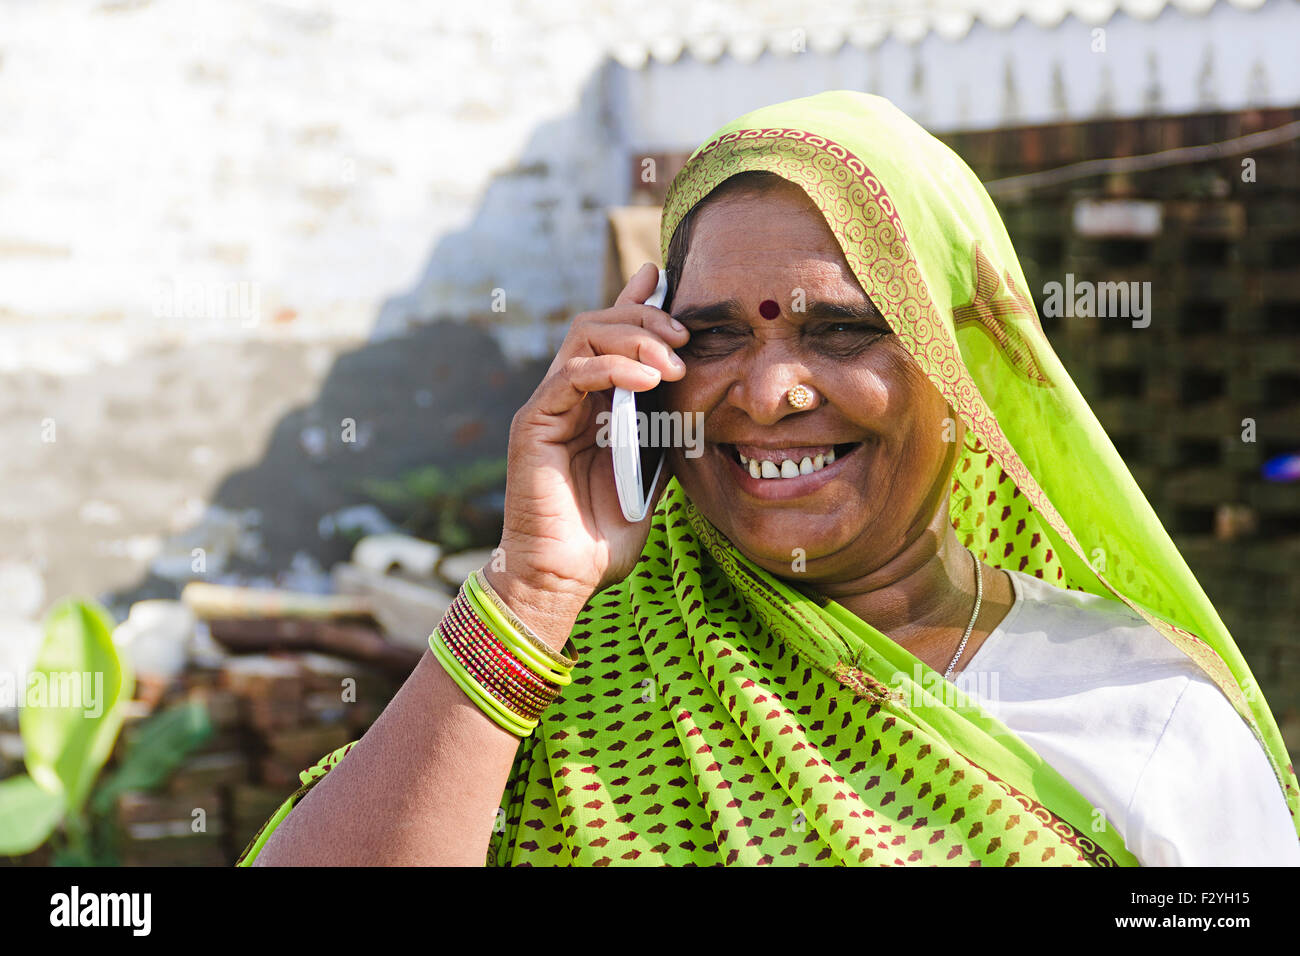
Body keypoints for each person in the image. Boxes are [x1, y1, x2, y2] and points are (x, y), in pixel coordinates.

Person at [240, 90, 1299, 866]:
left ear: (965, 371)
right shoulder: (567, 668)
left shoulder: (1142, 714)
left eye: (842, 328)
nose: (768, 390)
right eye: (707, 336)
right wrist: (529, 590)